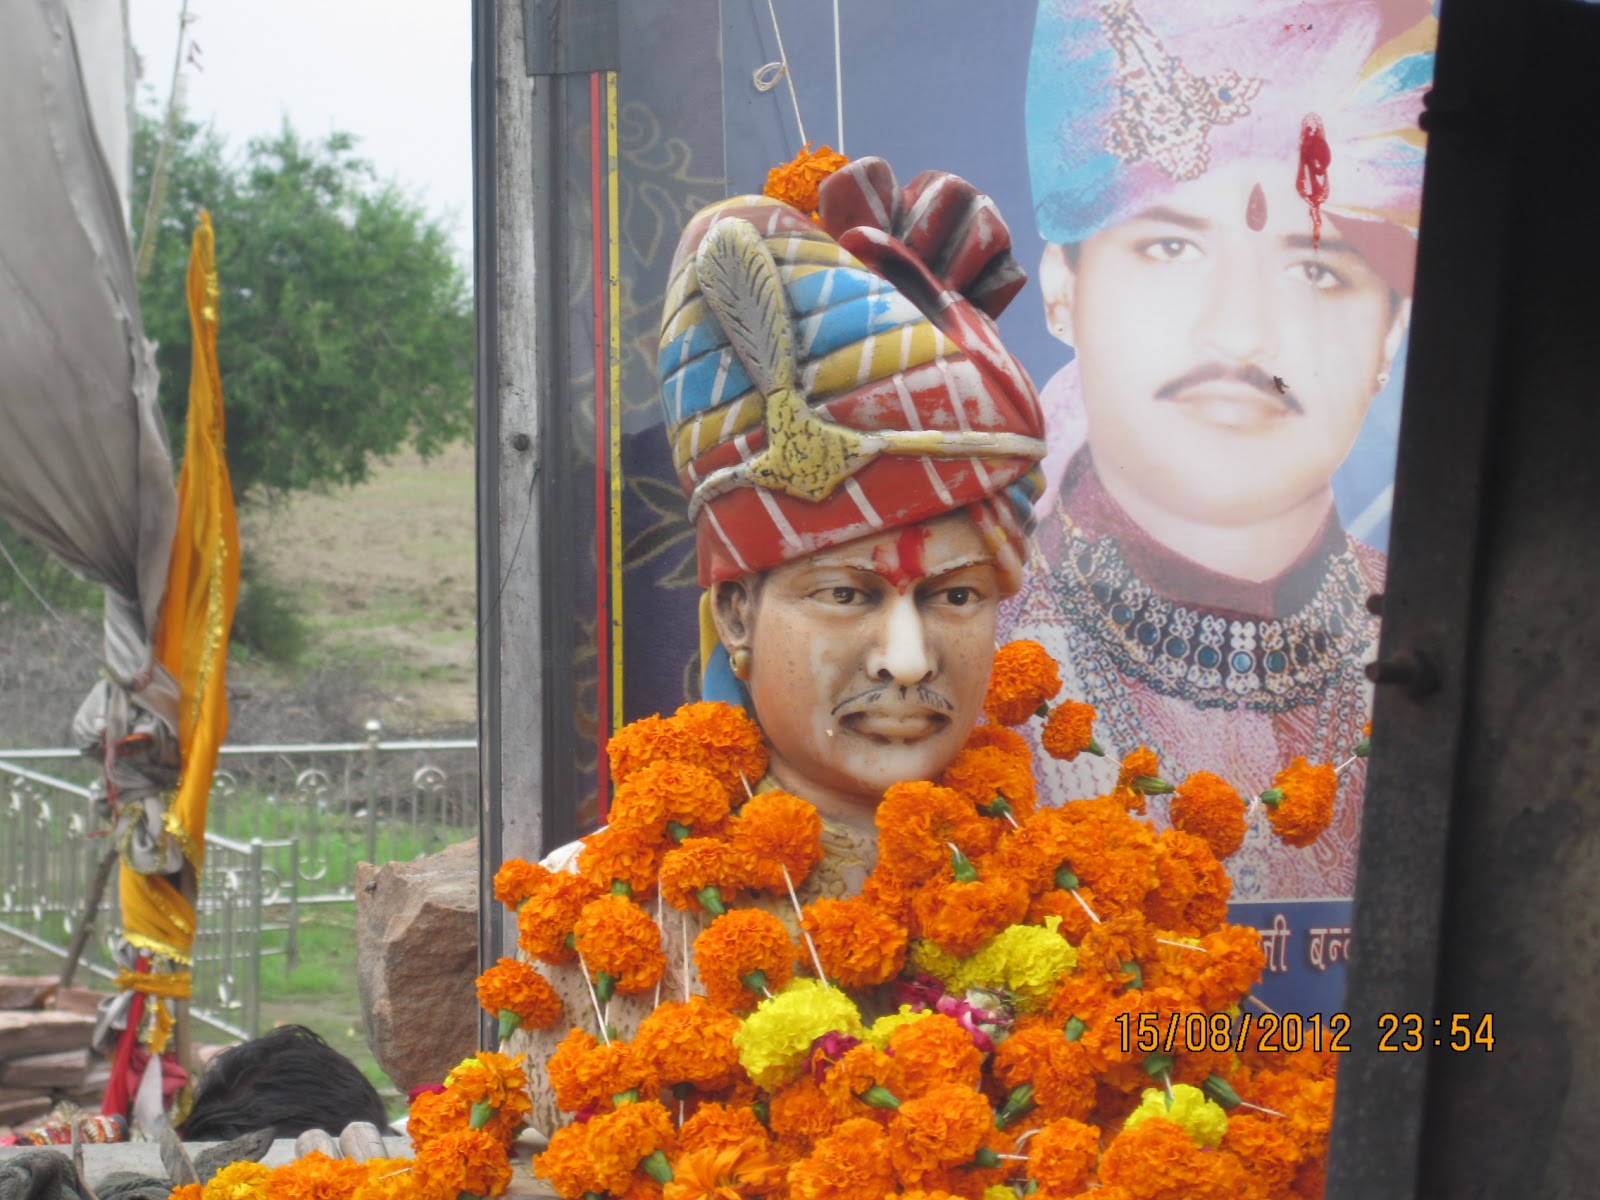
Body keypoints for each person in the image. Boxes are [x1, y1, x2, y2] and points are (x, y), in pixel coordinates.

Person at [511, 155, 1048, 1135]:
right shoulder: (594, 922)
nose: (908, 658)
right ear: (737, 617)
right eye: (845, 593)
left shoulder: (1079, 907)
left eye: (955, 594)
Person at [1003, 0, 1436, 910]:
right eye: (1170, 246)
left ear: (1390, 333)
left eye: (1316, 270)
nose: (1239, 332)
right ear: (1061, 288)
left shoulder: (1458, 659)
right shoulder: (960, 665)